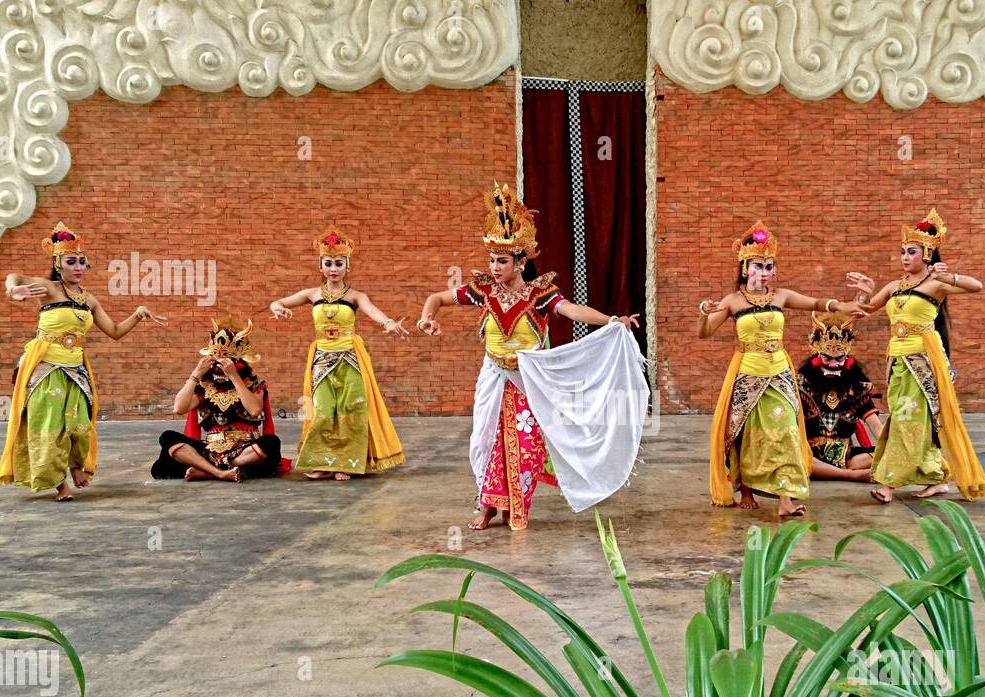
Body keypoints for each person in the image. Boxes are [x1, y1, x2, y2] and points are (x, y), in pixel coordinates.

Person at [417, 184, 645, 531]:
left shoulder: (539, 294)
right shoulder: (482, 290)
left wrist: (610, 320)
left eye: (502, 261)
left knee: (524, 444)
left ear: (520, 261)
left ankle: (515, 509)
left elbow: (571, 310)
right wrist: (426, 318)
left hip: (529, 380)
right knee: (487, 440)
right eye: (492, 260)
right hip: (493, 376)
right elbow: (437, 298)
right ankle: (488, 506)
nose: (495, 267)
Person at [698, 221, 869, 517]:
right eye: (757, 266)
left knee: (788, 431)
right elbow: (704, 333)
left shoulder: (781, 296)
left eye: (768, 267)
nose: (764, 273)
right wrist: (704, 313)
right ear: (744, 267)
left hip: (779, 373)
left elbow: (816, 302)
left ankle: (785, 498)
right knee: (748, 433)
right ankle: (748, 488)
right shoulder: (733, 302)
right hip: (748, 375)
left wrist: (842, 306)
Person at [0, 221, 167, 500]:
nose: (77, 267)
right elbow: (14, 276)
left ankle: (76, 464)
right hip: (46, 368)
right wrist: (14, 290)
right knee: (51, 426)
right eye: (71, 261)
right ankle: (59, 482)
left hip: (76, 370)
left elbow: (114, 332)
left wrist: (137, 314)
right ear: (59, 264)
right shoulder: (48, 288)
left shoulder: (90, 301)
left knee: (80, 426)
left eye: (82, 262)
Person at [849, 208, 985, 504]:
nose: (904, 257)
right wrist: (864, 292)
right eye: (902, 252)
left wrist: (951, 275)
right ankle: (936, 478)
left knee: (905, 420)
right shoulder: (894, 286)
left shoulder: (936, 284)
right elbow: (866, 310)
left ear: (926, 254)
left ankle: (889, 483)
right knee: (914, 420)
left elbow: (977, 286)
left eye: (911, 251)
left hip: (924, 361)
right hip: (897, 361)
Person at [268, 226, 406, 480]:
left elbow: (373, 311)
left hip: (349, 359)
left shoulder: (355, 296)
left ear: (347, 266)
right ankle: (322, 461)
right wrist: (278, 309)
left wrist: (388, 323)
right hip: (322, 360)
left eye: (339, 263)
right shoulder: (312, 294)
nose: (334, 269)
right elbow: (278, 302)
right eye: (328, 263)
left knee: (351, 410)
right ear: (321, 266)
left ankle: (347, 463)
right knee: (322, 410)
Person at [151, 318, 291, 482]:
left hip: (244, 450)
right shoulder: (205, 388)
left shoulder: (253, 385)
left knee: (271, 443)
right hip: (210, 449)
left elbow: (254, 410)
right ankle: (220, 472)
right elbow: (178, 408)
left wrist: (233, 376)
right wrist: (196, 374)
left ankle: (208, 470)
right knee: (168, 438)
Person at [796, 310, 883, 482]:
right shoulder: (801, 385)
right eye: (827, 359)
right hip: (808, 456)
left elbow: (876, 427)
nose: (834, 365)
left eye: (839, 358)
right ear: (817, 353)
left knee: (891, 451)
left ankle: (841, 471)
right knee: (790, 455)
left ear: (847, 355)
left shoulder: (858, 389)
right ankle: (851, 476)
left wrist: (893, 447)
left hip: (849, 458)